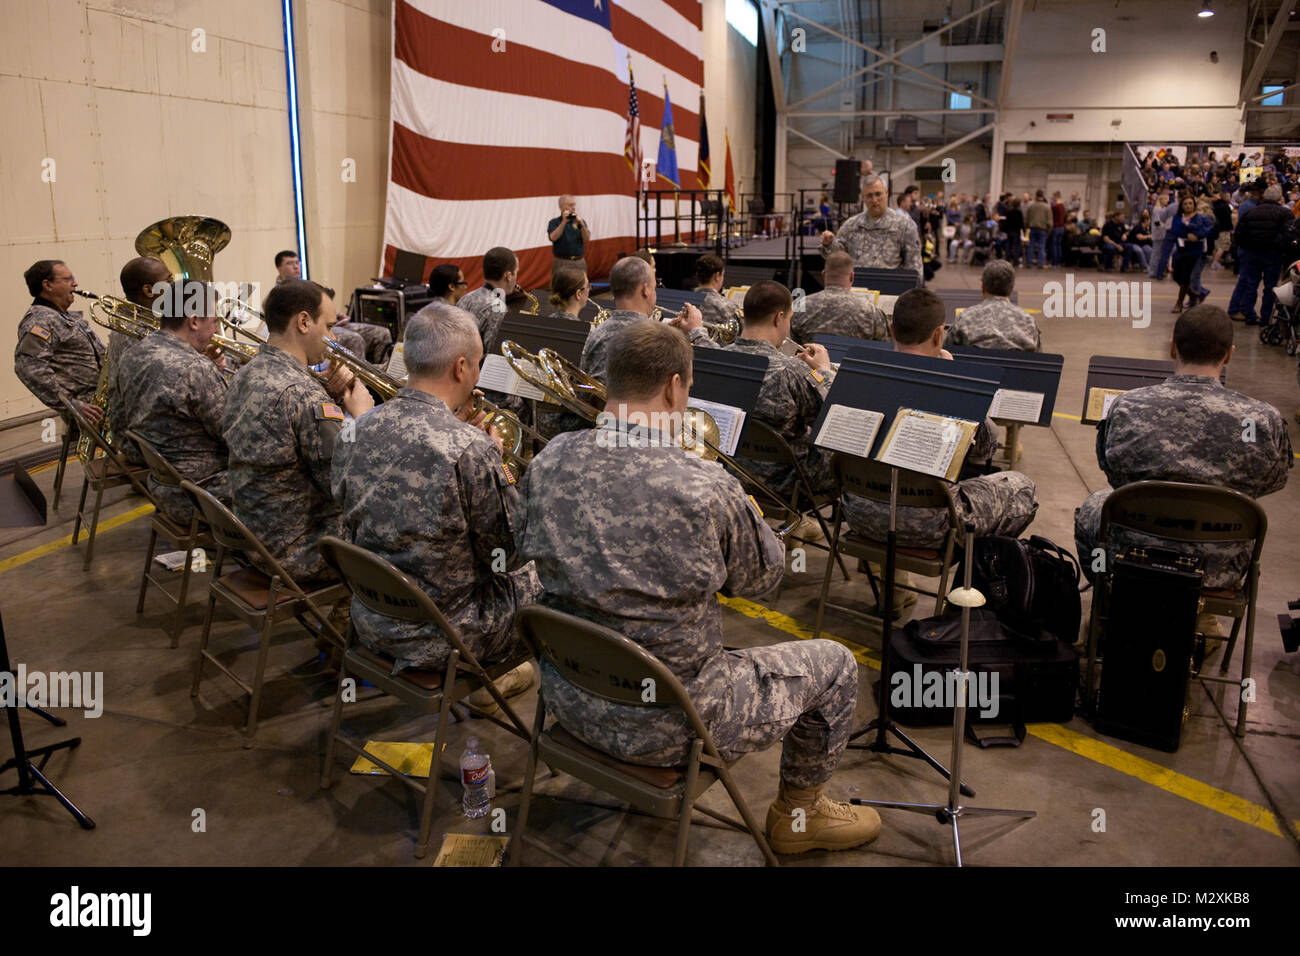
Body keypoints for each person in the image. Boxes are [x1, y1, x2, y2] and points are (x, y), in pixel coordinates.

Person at [519, 320, 881, 855]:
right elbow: (761, 580)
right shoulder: (707, 486)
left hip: (569, 699)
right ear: (673, 386)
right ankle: (797, 816)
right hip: (673, 724)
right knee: (836, 665)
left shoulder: (548, 460)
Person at [332, 306, 538, 700]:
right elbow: (505, 554)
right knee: (550, 575)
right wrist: (500, 469)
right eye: (477, 365)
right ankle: (490, 685)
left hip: (371, 619)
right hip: (448, 637)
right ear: (461, 367)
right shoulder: (471, 449)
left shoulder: (355, 429)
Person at [1074, 305, 1291, 601]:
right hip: (1220, 566)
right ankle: (1203, 616)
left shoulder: (1127, 407)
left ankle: (1110, 600)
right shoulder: (1261, 420)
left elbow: (1111, 470)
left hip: (1133, 552)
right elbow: (1274, 481)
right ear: (1229, 354)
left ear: (1173, 348)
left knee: (1093, 507)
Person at [842, 289, 1039, 551]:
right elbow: (987, 447)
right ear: (938, 334)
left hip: (858, 514)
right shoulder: (951, 386)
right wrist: (957, 379)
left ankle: (885, 568)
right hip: (930, 527)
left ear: (891, 329)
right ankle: (979, 579)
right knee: (1023, 488)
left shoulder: (858, 376)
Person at [223, 279, 374, 585]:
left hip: (251, 536)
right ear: (304, 322)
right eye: (329, 327)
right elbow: (349, 487)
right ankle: (351, 621)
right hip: (299, 551)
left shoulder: (246, 372)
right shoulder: (303, 394)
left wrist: (329, 403)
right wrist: (363, 418)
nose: (333, 338)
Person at [114, 279, 229, 525]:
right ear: (195, 320)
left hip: (160, 488)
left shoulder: (132, 354)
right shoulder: (195, 369)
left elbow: (117, 419)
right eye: (215, 321)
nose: (216, 331)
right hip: (205, 496)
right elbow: (233, 435)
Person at [725, 281, 836, 501]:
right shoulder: (790, 370)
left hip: (731, 474)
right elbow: (832, 422)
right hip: (786, 484)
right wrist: (825, 372)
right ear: (779, 317)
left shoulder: (720, 359)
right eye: (790, 319)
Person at [579, 256, 707, 386]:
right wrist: (690, 332)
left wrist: (668, 330)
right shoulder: (657, 340)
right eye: (654, 288)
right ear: (645, 289)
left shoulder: (596, 333)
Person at [14, 260, 104, 427]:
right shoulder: (39, 321)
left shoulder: (62, 316)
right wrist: (72, 405)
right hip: (90, 406)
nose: (75, 283)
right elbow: (28, 369)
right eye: (68, 279)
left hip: (103, 398)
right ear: (47, 285)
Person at [104, 256, 173, 464]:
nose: (174, 285)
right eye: (168, 281)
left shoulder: (140, 322)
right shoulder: (137, 333)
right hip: (141, 441)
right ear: (149, 291)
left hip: (142, 429)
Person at [275, 251, 391, 364]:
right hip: (314, 329)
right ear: (279, 268)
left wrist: (336, 316)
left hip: (329, 324)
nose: (296, 267)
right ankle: (357, 380)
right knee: (354, 338)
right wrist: (329, 323)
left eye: (297, 262)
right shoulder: (281, 293)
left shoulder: (305, 285)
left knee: (381, 332)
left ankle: (383, 374)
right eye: (290, 263)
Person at [818, 174, 922, 280]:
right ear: (863, 198)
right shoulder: (852, 225)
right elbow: (838, 258)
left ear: (886, 193)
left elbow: (914, 267)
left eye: (878, 194)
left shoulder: (905, 225)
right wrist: (829, 244)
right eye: (869, 196)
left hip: (890, 291)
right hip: (857, 290)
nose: (874, 199)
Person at [1228, 184, 1294, 326]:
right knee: (1270, 287)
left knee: (1250, 285)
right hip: (1273, 256)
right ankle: (1266, 318)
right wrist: (1277, 246)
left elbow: (1239, 234)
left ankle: (1249, 315)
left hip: (1252, 254)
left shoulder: (1251, 212)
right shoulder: (1285, 214)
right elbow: (1288, 235)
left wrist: (1248, 246)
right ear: (1280, 197)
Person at [791, 251, 888, 345]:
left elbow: (793, 343)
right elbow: (881, 347)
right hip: (852, 361)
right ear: (851, 277)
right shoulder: (870, 311)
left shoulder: (800, 306)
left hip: (809, 361)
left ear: (823, 275)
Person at [946, 260, 1041, 352]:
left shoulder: (964, 319)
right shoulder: (1028, 322)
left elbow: (946, 357)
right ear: (1011, 289)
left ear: (982, 287)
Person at [456, 247, 520, 356]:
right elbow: (492, 355)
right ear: (508, 276)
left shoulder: (467, 297)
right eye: (516, 272)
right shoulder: (498, 308)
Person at [1169, 197, 1214, 313]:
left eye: (1190, 203)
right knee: (1176, 276)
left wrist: (1197, 236)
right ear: (1181, 206)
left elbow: (1207, 231)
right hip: (1180, 250)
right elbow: (1175, 230)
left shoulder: (1200, 218)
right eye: (1185, 203)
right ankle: (1194, 295)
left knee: (1186, 277)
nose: (1188, 206)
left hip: (1195, 251)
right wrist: (1188, 233)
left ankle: (1179, 303)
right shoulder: (1178, 217)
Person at [546, 195, 589, 287]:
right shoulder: (554, 222)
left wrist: (581, 225)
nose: (573, 207)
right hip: (562, 262)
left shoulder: (579, 221)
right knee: (560, 289)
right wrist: (564, 222)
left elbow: (586, 238)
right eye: (570, 205)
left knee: (581, 288)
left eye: (574, 205)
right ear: (561, 207)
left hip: (579, 261)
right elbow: (553, 237)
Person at [692, 254, 742, 331]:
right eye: (723, 275)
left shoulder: (684, 302)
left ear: (697, 275)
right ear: (717, 276)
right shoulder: (727, 306)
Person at [1149, 190, 1178, 280]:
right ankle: (1153, 271)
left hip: (1164, 234)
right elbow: (1157, 222)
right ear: (1160, 200)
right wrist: (1166, 226)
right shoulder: (1157, 210)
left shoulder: (1165, 209)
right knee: (1156, 253)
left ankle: (1160, 269)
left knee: (1163, 253)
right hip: (1158, 233)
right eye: (1165, 199)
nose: (1167, 201)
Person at [1025, 190, 1052, 269]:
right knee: (1041, 246)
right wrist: (1049, 230)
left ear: (1036, 196)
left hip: (1032, 228)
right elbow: (1050, 221)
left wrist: (1026, 227)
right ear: (1043, 196)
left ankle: (1029, 262)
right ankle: (1040, 263)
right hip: (1042, 229)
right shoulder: (1047, 207)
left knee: (1031, 246)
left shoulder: (1031, 206)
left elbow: (1027, 219)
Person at [1048, 192, 1066, 267]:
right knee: (1059, 245)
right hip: (1062, 227)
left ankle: (1054, 262)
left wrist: (1051, 204)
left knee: (1054, 245)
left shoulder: (1055, 207)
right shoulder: (1062, 206)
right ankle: (1059, 262)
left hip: (1056, 227)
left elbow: (1051, 213)